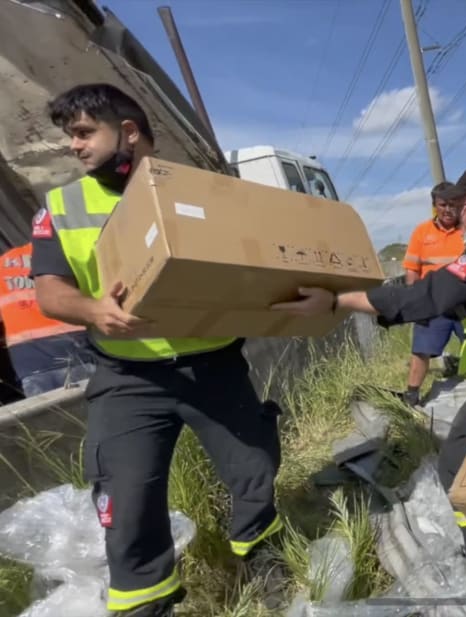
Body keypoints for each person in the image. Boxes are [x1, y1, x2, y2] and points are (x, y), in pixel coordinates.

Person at [30, 83, 284, 616]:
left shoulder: (205, 192)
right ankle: (147, 603)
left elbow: (260, 263)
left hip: (214, 367)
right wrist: (95, 309)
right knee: (126, 505)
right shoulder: (63, 206)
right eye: (69, 136)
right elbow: (51, 290)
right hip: (128, 379)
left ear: (127, 132)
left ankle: (265, 569)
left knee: (254, 470)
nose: (73, 146)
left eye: (82, 133)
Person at [272, 165, 466, 579]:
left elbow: (427, 296)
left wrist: (339, 301)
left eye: (463, 206)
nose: (457, 216)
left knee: (458, 464)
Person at [1, 241, 96, 396]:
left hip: (30, 362)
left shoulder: (3, 264)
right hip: (77, 349)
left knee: (53, 417)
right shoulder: (63, 252)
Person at [401, 181, 466, 406]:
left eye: (453, 205)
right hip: (432, 304)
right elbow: (412, 270)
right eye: (443, 204)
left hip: (465, 303)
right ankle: (411, 395)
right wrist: (415, 300)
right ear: (435, 206)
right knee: (421, 351)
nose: (448, 210)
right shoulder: (422, 232)